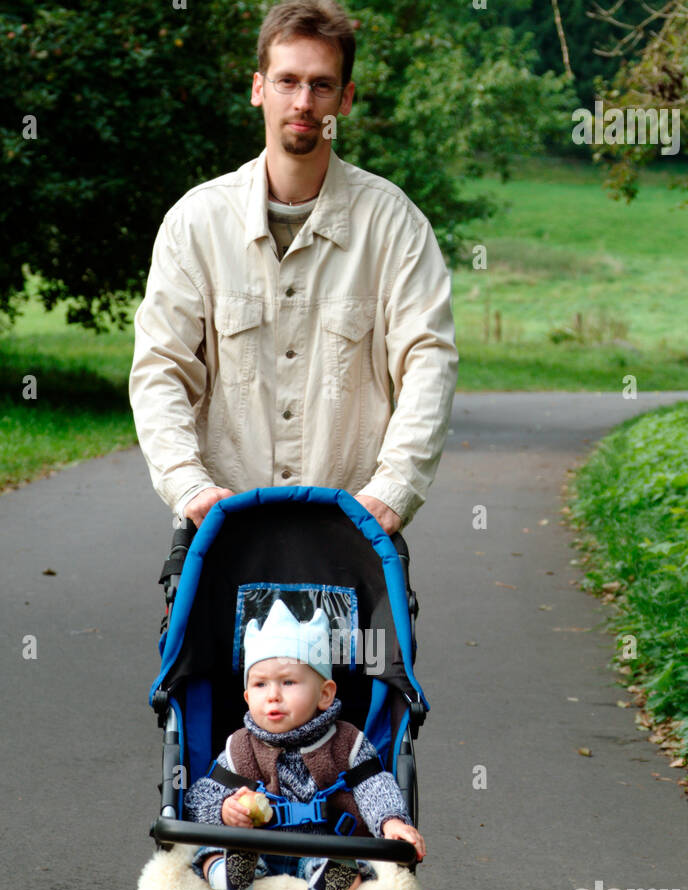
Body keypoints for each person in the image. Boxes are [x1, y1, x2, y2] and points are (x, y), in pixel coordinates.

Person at [129, 0, 457, 539]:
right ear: (259, 88)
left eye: (322, 85)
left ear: (345, 99)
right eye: (287, 81)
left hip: (353, 531)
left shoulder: (395, 225)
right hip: (222, 531)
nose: (303, 102)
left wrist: (393, 489)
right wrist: (188, 484)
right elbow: (161, 367)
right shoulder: (195, 223)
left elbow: (428, 362)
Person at [182, 599, 425, 890]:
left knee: (352, 864)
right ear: (246, 697)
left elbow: (373, 787)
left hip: (325, 847)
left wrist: (390, 821)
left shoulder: (346, 743)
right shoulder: (241, 747)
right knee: (212, 851)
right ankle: (232, 878)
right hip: (255, 850)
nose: (273, 694)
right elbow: (198, 799)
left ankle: (328, 889)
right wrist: (225, 810)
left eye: (288, 682)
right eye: (260, 684)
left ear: (325, 694)